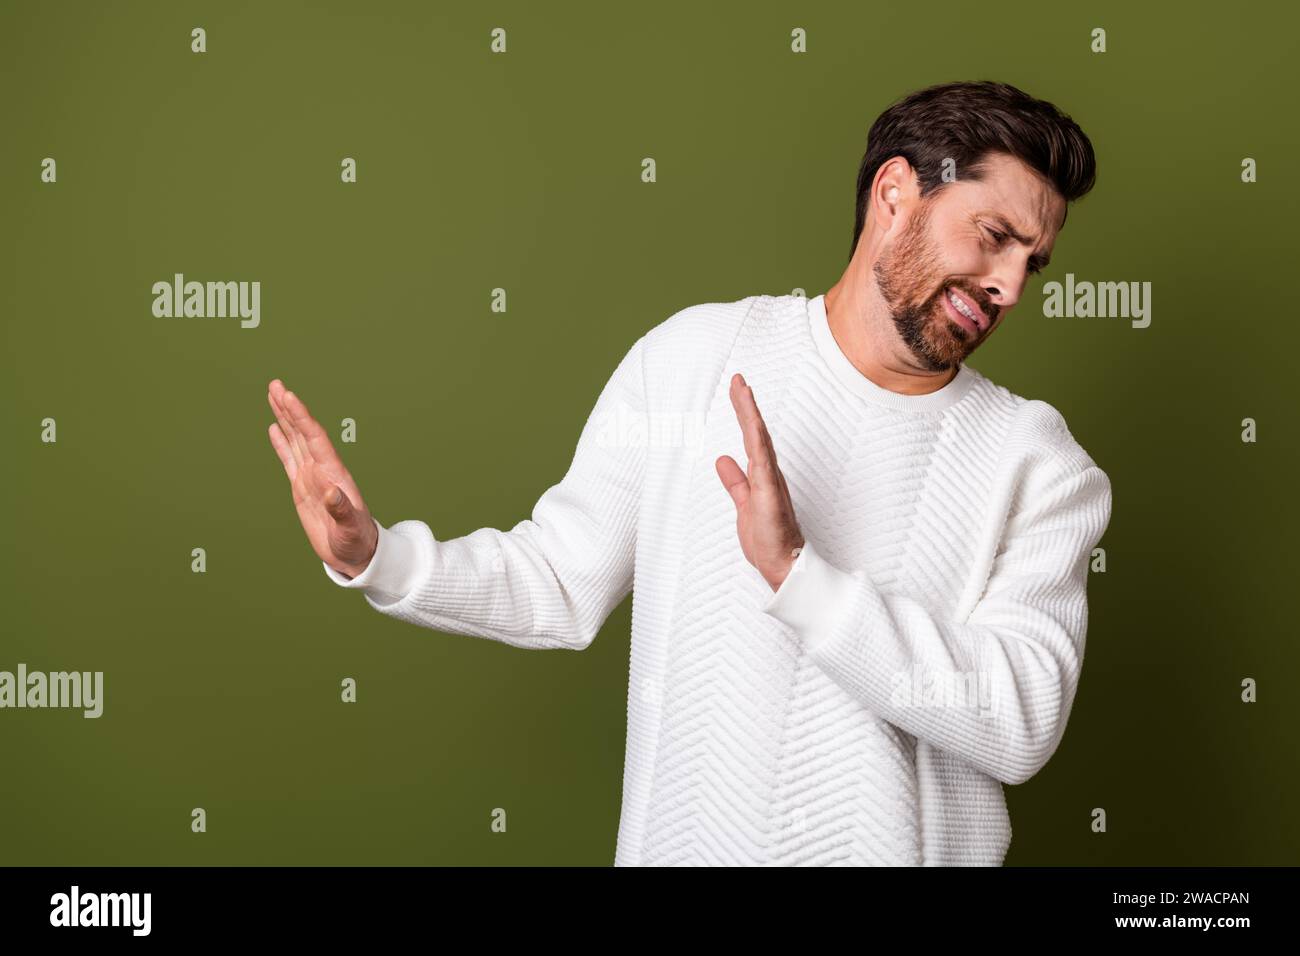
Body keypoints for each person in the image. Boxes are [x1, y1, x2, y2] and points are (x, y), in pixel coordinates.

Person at [266, 80, 1113, 866]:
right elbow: (556, 579)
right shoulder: (694, 358)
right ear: (895, 194)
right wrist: (378, 556)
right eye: (995, 237)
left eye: (1032, 264)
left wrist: (798, 576)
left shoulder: (1039, 464)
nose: (1009, 284)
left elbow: (1020, 719)